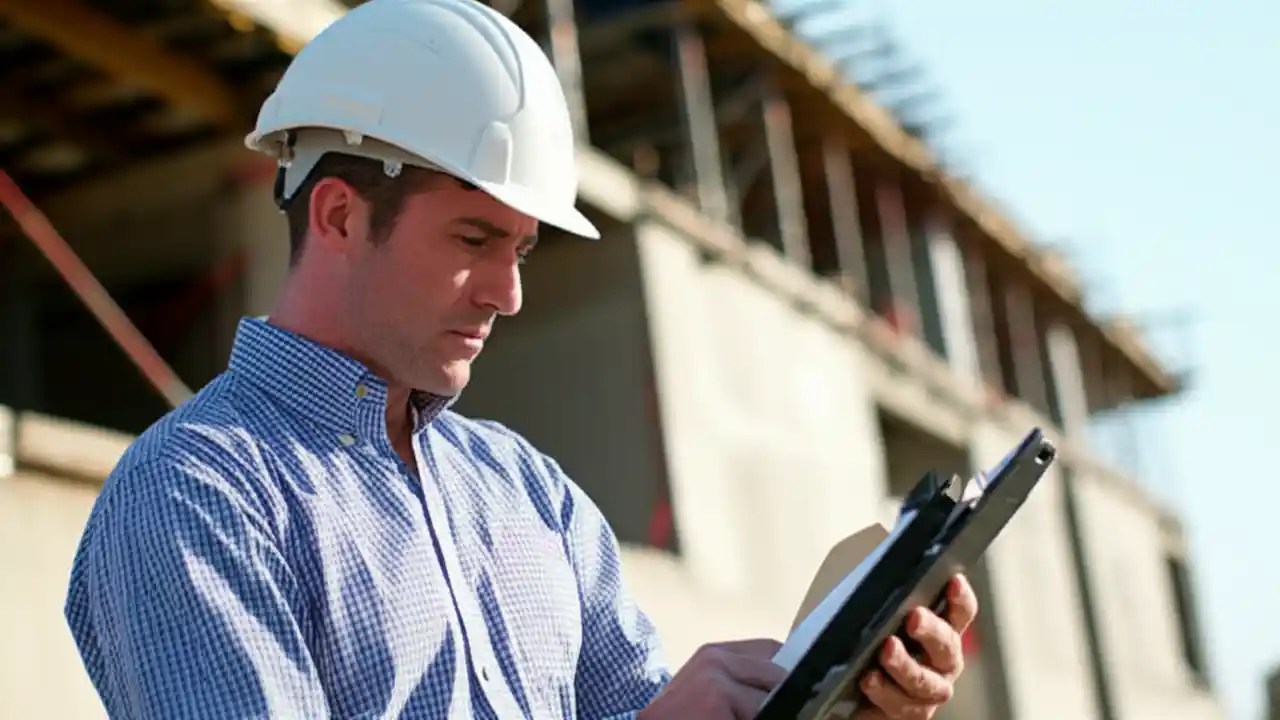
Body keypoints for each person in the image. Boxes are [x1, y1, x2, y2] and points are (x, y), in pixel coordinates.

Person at [63, 0, 979, 717]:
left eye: (522, 250)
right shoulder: (196, 496)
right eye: (473, 237)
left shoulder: (527, 495)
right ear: (340, 215)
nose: (509, 294)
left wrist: (847, 699)